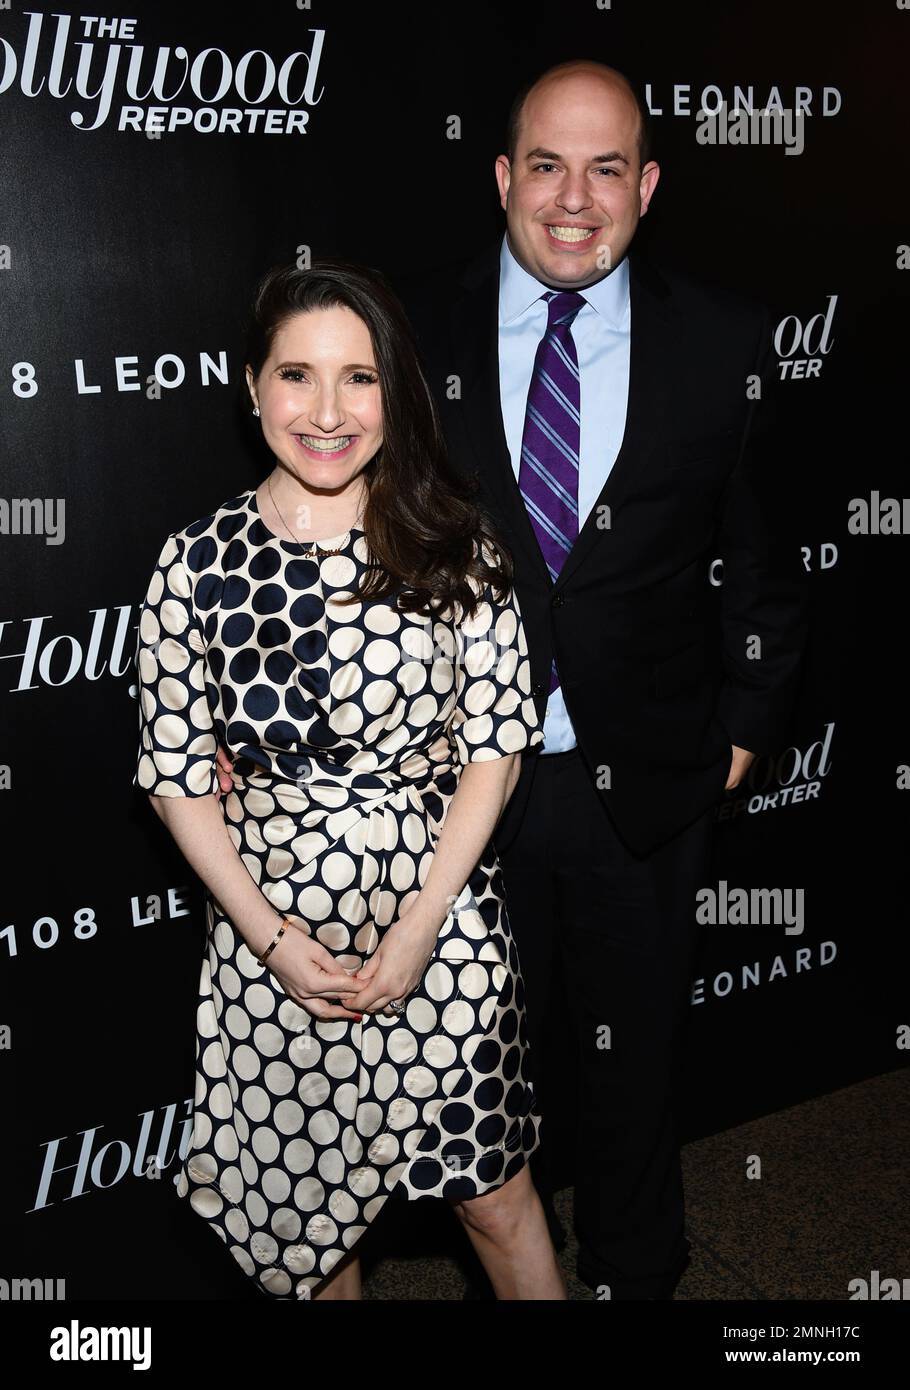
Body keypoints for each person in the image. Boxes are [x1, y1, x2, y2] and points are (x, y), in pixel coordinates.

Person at [384, 59, 811, 1299]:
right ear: (504, 176)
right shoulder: (411, 330)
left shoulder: (724, 338)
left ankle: (638, 1274)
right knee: (471, 1080)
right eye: (550, 165)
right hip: (466, 791)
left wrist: (739, 736)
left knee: (638, 1074)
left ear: (648, 184)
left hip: (649, 789)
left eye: (607, 167)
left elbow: (766, 564)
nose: (576, 198)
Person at [132, 259, 567, 1301]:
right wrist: (273, 943)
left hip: (442, 923)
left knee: (494, 1199)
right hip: (269, 932)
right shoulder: (194, 566)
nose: (327, 411)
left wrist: (420, 926)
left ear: (395, 391)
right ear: (250, 386)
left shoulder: (455, 546)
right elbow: (178, 778)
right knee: (311, 1228)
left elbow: (494, 750)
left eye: (359, 378)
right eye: (297, 375)